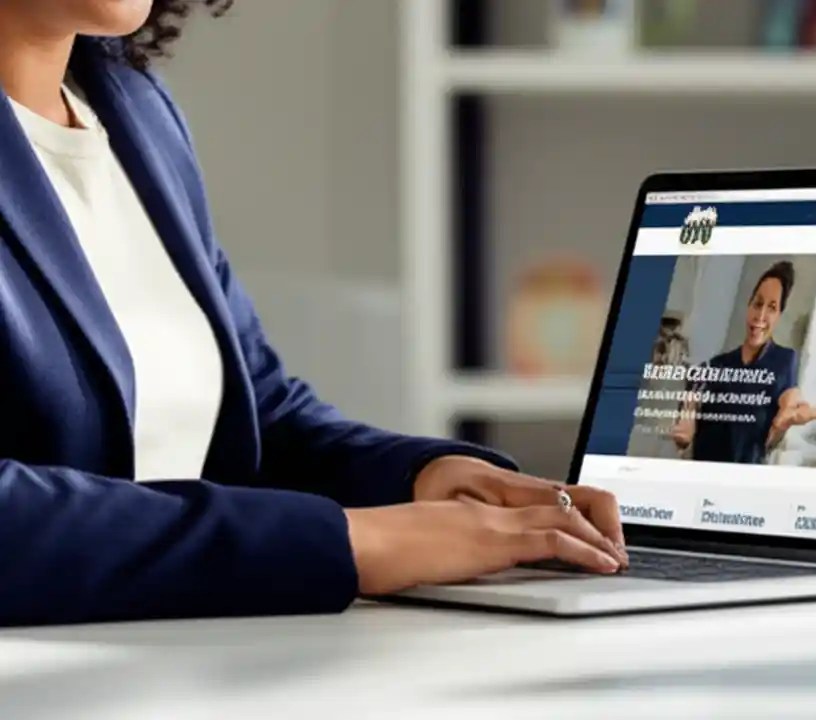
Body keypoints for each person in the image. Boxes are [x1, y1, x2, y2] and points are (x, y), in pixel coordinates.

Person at [0, 0, 627, 627]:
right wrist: (355, 543)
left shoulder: (134, 111)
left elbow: (258, 416)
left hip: (188, 660)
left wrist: (421, 478)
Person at [670, 261, 816, 464]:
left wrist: (787, 417)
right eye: (757, 304)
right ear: (748, 306)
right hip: (703, 478)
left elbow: (788, 400)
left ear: (779, 316)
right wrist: (685, 435)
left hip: (743, 479)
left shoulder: (783, 361)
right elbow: (687, 424)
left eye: (772, 308)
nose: (760, 316)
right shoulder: (716, 367)